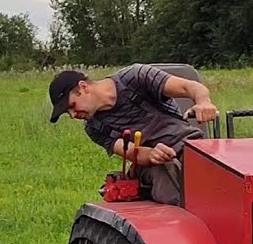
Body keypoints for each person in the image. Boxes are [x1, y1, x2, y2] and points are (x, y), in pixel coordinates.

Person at [47, 63, 219, 205]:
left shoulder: (135, 77)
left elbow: (189, 86)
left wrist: (203, 102)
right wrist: (152, 154)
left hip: (188, 143)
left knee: (220, 171)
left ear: (83, 88)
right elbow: (130, 153)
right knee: (167, 170)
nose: (72, 115)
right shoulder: (94, 128)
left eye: (71, 106)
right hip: (153, 165)